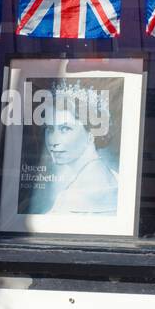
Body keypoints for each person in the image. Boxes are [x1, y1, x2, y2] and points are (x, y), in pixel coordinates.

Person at [39, 83, 118, 216]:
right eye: (50, 129)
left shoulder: (72, 198)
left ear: (91, 134)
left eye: (65, 129)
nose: (53, 141)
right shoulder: (111, 176)